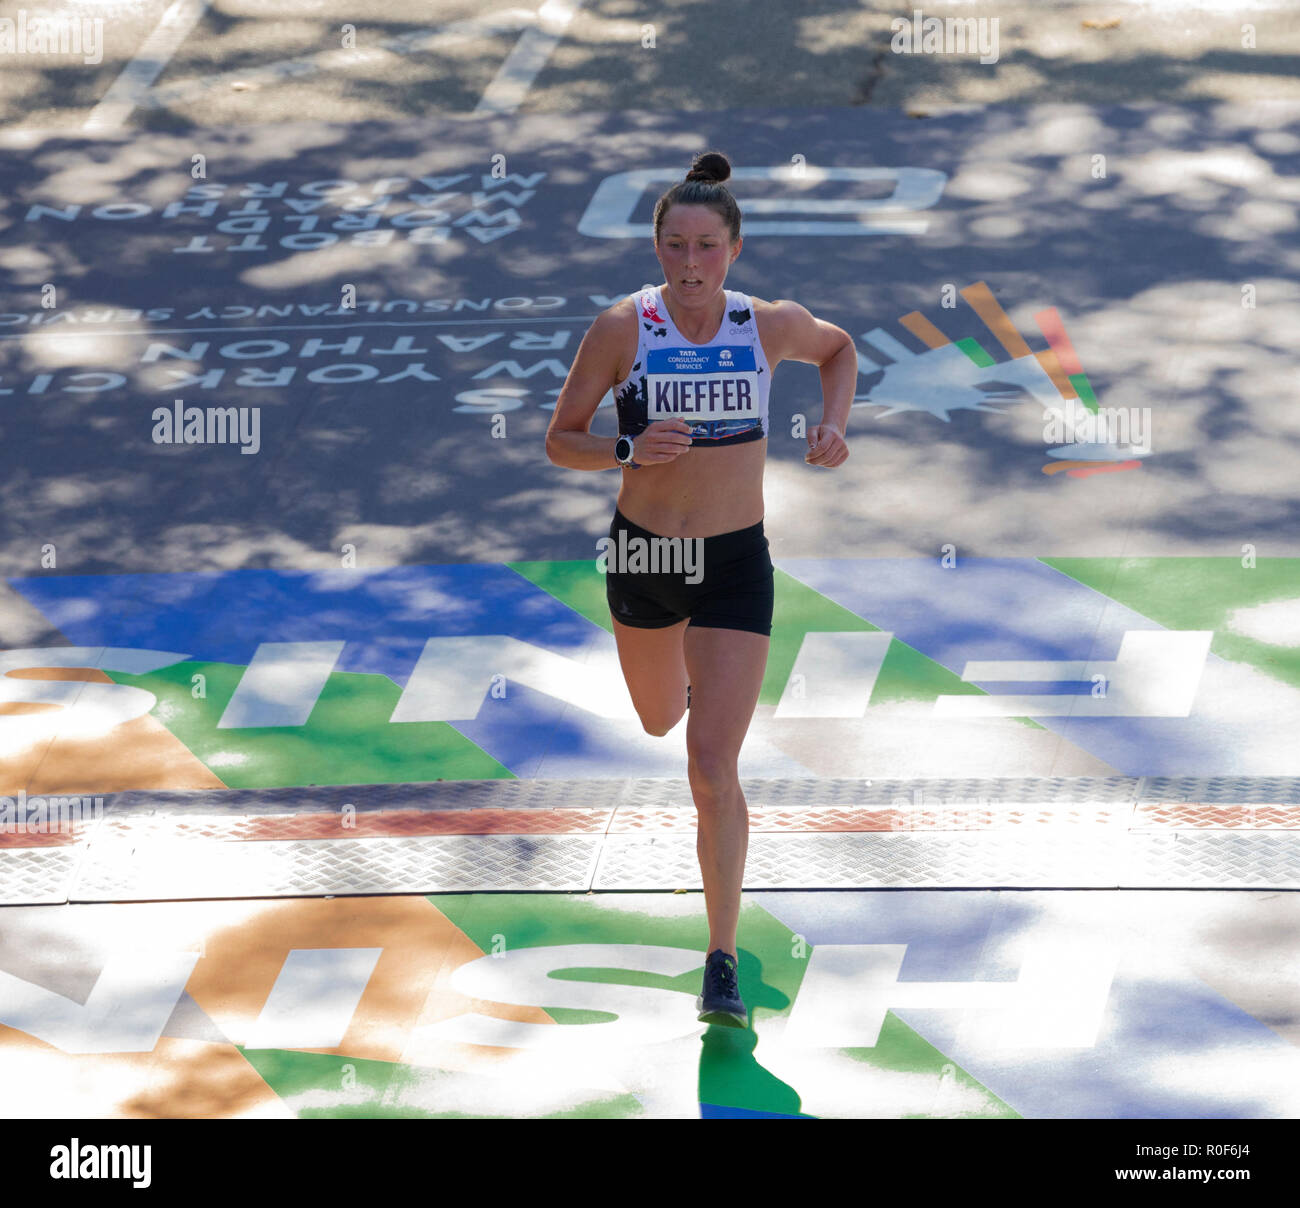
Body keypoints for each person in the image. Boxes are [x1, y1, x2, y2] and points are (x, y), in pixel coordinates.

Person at [545, 149, 855, 1028]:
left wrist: (833, 423)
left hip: (731, 567)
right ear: (655, 247)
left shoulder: (768, 326)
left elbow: (840, 350)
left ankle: (720, 957)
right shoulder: (620, 330)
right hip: (646, 559)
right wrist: (622, 448)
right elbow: (559, 437)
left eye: (706, 248)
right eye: (674, 246)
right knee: (658, 719)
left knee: (710, 766)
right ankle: (684, 682)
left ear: (734, 251)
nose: (689, 265)